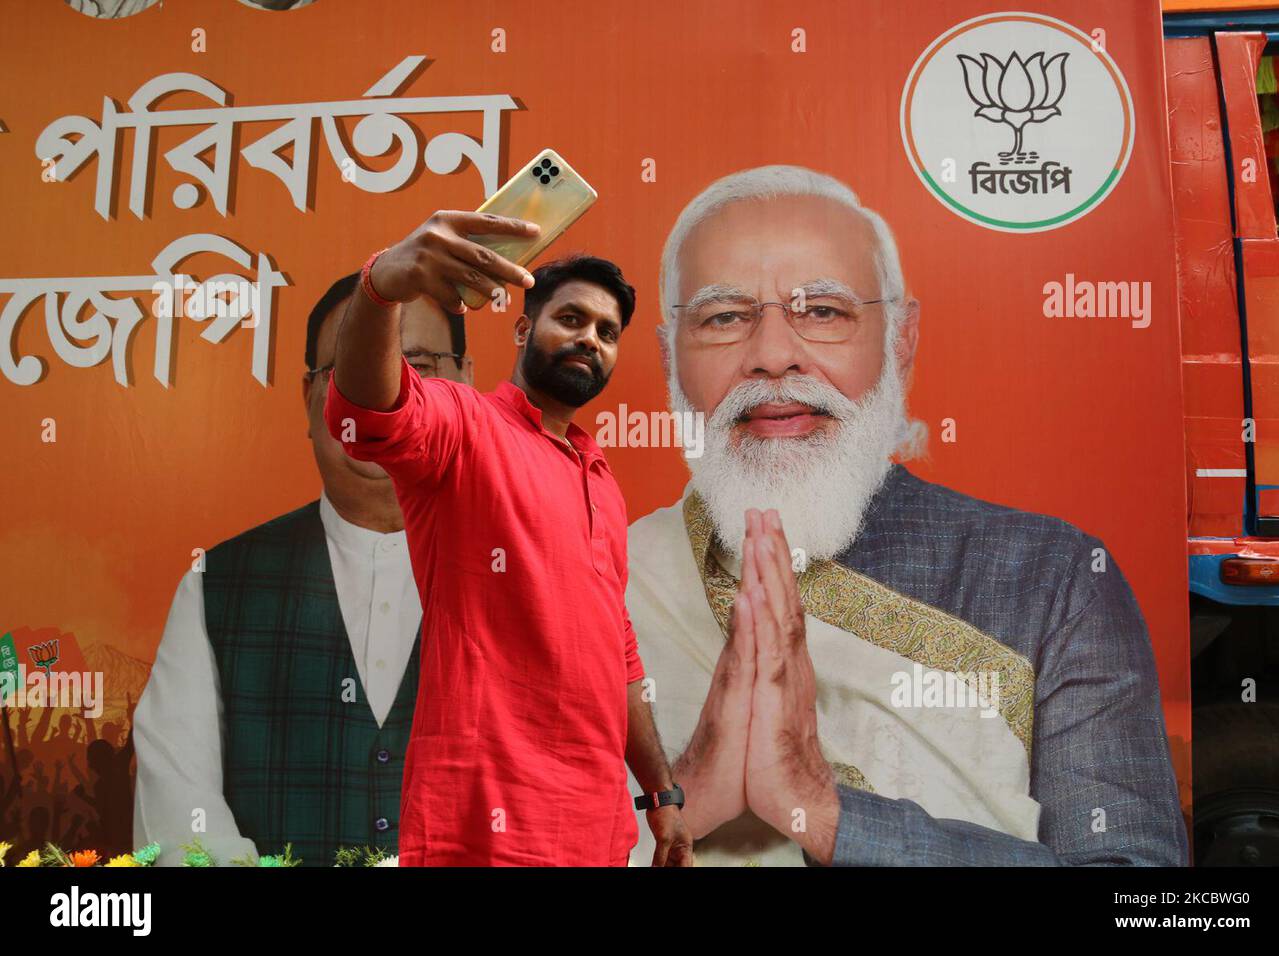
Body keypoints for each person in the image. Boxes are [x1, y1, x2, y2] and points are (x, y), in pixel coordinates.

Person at [625, 164, 1188, 866]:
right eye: (724, 317)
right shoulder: (598, 581)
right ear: (668, 356)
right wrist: (683, 802)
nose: (771, 356)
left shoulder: (1053, 580)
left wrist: (825, 811)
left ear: (899, 339)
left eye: (823, 311)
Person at [324, 210, 692, 866]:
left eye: (608, 332)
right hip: (481, 821)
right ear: (523, 327)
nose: (591, 340)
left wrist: (661, 793)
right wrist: (382, 288)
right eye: (571, 319)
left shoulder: (600, 479)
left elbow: (619, 655)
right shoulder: (464, 424)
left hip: (598, 827)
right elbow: (365, 415)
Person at [133, 273, 470, 866]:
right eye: (348, 370)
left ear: (464, 383)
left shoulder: (529, 576)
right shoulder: (217, 587)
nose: (381, 393)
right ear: (308, 398)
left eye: (416, 362)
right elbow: (181, 822)